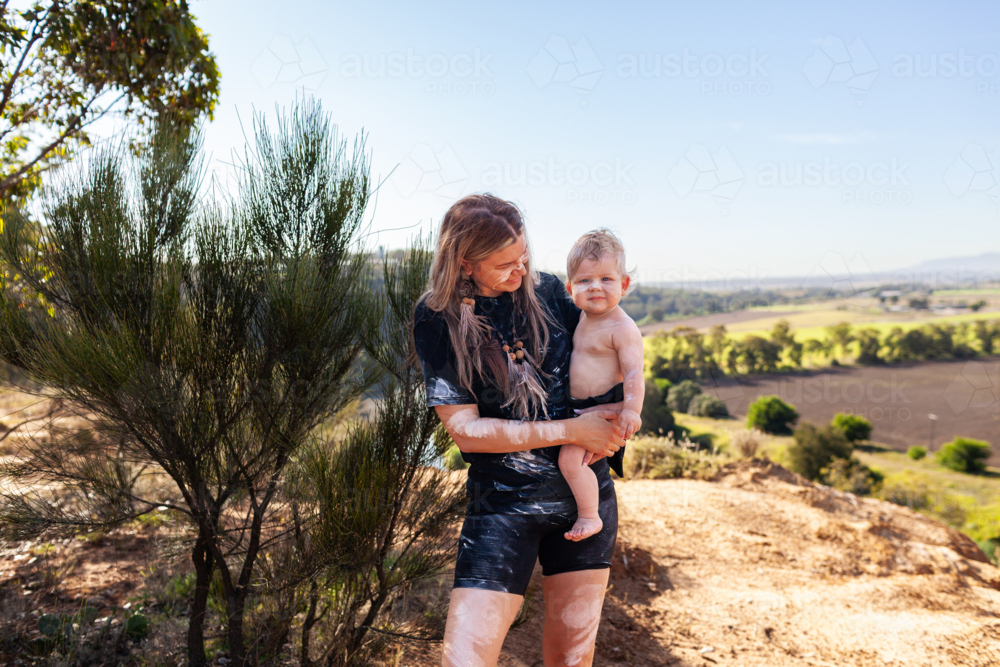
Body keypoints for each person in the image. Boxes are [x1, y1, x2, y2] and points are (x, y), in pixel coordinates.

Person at [412, 194, 624, 667]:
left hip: (585, 499)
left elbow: (613, 348)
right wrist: (572, 429)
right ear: (465, 263)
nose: (521, 271)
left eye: (524, 256)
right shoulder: (436, 317)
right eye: (505, 264)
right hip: (501, 506)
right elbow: (466, 431)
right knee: (464, 659)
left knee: (571, 660)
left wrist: (622, 413)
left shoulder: (551, 291)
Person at [559, 229, 644, 541]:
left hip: (601, 411)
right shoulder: (583, 317)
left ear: (624, 284)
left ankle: (590, 516)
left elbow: (635, 372)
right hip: (579, 410)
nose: (595, 287)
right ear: (570, 289)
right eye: (584, 281)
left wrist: (631, 411)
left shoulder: (622, 328)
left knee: (570, 460)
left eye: (606, 279)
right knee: (575, 457)